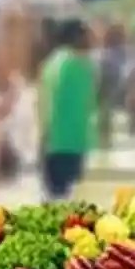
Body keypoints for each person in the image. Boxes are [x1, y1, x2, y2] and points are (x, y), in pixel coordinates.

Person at [39, 20, 97, 200]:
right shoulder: (80, 65)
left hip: (54, 142)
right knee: (68, 201)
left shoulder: (52, 63)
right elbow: (90, 103)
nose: (91, 41)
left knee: (54, 198)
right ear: (76, 37)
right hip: (71, 142)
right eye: (87, 36)